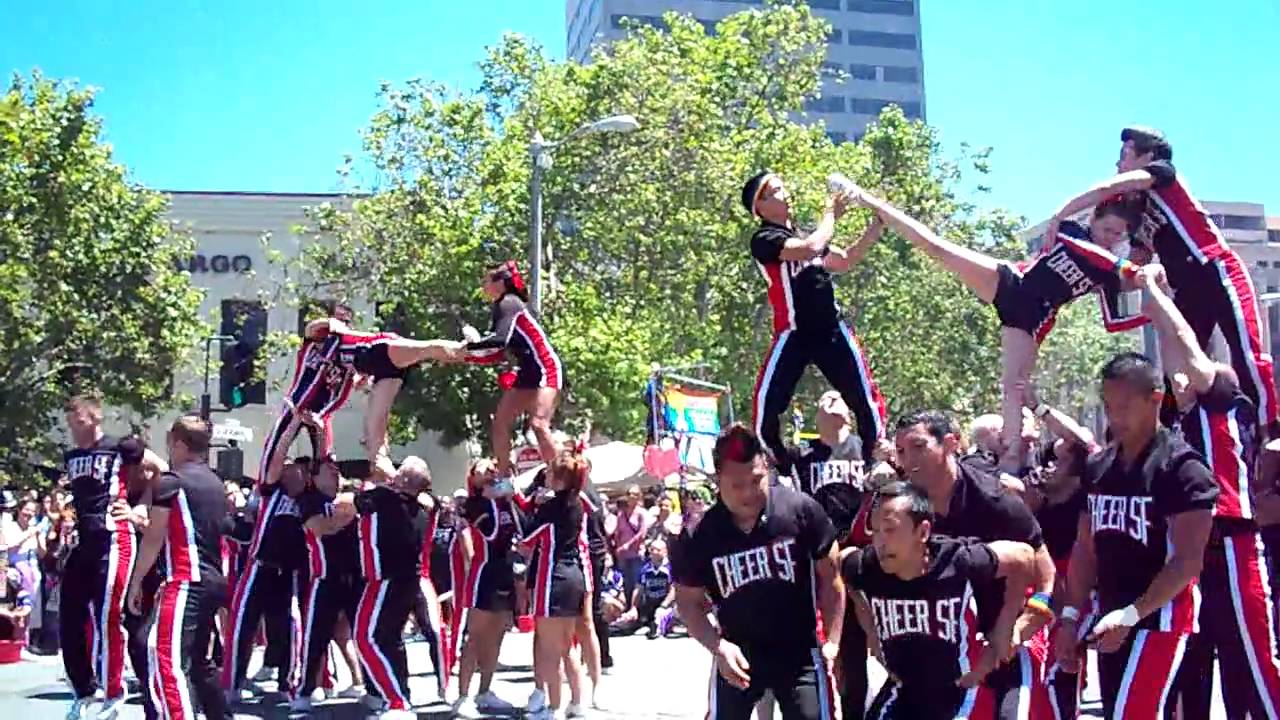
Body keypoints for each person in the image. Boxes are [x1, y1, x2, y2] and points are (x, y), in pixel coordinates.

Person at [847, 181, 1144, 471]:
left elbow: (1121, 303)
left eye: (1117, 234)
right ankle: (871, 202)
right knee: (937, 248)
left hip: (1032, 316)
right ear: (1093, 220)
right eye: (1107, 229)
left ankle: (1011, 462)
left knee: (1014, 387)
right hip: (1013, 283)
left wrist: (1150, 278)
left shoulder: (1108, 268)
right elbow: (1093, 210)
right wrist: (1121, 261)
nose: (1110, 237)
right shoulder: (1071, 232)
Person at [1046, 126, 1277, 431]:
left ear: (1148, 156)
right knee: (1178, 368)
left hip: (1214, 268)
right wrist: (1095, 274)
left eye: (1124, 156)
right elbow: (1134, 264)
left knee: (1245, 351)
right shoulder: (1139, 213)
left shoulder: (1164, 174)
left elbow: (1107, 188)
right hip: (1187, 290)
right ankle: (1171, 434)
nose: (1118, 165)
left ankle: (1269, 429)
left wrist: (1060, 214)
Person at [1138, 265, 1280, 718]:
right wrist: (1156, 304)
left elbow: (1188, 351)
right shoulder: (1181, 417)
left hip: (1233, 544)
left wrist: (1151, 291)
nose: (1181, 378)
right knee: (1189, 664)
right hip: (1188, 550)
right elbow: (1172, 358)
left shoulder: (1227, 401)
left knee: (1254, 661)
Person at [1055, 352, 1218, 719]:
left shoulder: (1182, 468)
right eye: (1109, 406)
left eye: (1125, 406)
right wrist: (1069, 616)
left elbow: (1188, 560)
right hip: (1110, 615)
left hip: (1162, 618)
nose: (1115, 416)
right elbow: (1085, 548)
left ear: (1155, 399)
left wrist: (1132, 614)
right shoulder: (1100, 467)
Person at [892, 410, 1057, 719]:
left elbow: (1046, 577)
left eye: (918, 447)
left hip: (1008, 636)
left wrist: (1014, 630)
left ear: (951, 444)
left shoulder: (995, 502)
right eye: (900, 451)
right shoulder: (902, 507)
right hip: (946, 643)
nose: (907, 460)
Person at [673, 424, 844, 720]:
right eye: (736, 485)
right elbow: (689, 603)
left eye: (756, 480)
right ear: (718, 480)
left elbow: (831, 578)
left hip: (800, 649)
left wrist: (832, 642)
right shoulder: (700, 533)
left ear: (766, 468)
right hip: (738, 649)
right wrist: (717, 646)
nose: (749, 493)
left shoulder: (801, 511)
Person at [843, 481, 1036, 719]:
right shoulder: (866, 567)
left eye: (890, 529)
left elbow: (1024, 556)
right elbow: (842, 565)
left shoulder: (956, 561)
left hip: (960, 690)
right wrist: (872, 631)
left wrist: (1004, 630)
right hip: (907, 690)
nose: (880, 542)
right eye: (875, 531)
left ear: (923, 532)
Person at [741, 172, 886, 472]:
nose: (786, 192)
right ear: (762, 207)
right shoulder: (765, 239)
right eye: (776, 190)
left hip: (831, 330)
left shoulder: (807, 234)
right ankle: (777, 464)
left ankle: (877, 460)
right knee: (766, 404)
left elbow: (844, 260)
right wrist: (830, 214)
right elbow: (810, 248)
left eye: (783, 186)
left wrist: (876, 226)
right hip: (793, 332)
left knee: (864, 397)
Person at [61, 393, 167, 720]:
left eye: (78, 422)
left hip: (114, 538)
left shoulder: (121, 447)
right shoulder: (72, 455)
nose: (74, 429)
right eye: (70, 423)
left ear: (94, 419)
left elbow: (162, 470)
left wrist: (140, 508)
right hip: (84, 541)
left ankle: (113, 693)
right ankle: (84, 689)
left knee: (109, 617)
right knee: (70, 616)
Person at [125, 416, 232, 720]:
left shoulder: (171, 482)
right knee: (198, 661)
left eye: (171, 442)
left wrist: (136, 582)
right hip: (212, 579)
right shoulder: (215, 482)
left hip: (187, 578)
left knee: (163, 658)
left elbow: (154, 538)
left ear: (179, 443)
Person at [332, 457, 434, 720]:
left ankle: (397, 701)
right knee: (389, 640)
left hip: (384, 580)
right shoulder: (417, 507)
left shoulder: (386, 497)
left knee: (366, 639)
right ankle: (392, 692)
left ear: (401, 478)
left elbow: (340, 504)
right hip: (404, 580)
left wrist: (352, 486)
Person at [304, 316, 461, 482]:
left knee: (427, 349)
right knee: (374, 429)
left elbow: (313, 328)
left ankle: (467, 349)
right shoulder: (336, 361)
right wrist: (361, 376)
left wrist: (335, 325)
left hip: (383, 349)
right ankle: (391, 479)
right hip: (384, 372)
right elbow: (356, 370)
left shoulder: (337, 338)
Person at [453, 261, 565, 482]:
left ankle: (561, 476)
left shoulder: (509, 303)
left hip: (545, 367)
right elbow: (497, 351)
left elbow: (499, 341)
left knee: (539, 425)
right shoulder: (500, 307)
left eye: (487, 280)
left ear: (501, 282)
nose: (484, 285)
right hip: (527, 371)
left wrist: (472, 346)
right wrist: (468, 354)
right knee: (500, 423)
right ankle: (505, 477)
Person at [221, 458, 308, 698]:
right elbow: (248, 526)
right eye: (287, 471)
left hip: (290, 572)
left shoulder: (307, 500)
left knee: (288, 625)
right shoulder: (267, 494)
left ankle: (287, 682)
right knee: (242, 624)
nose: (291, 476)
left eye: (297, 473)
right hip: (259, 565)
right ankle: (233, 683)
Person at [290, 458, 367, 712]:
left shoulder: (351, 496)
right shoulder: (308, 501)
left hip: (357, 578)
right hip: (325, 578)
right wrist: (349, 512)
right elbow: (323, 528)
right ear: (315, 477)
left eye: (336, 471)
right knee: (316, 637)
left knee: (366, 635)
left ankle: (372, 687)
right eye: (328, 471)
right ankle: (305, 691)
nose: (335, 474)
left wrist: (352, 504)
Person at [519, 450, 589, 719]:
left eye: (548, 472)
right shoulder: (577, 504)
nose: (544, 476)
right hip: (574, 576)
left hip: (552, 577)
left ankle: (552, 708)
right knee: (566, 645)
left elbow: (527, 540)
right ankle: (577, 703)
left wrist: (528, 505)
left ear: (558, 477)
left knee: (549, 648)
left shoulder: (550, 508)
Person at [258, 303, 359, 487]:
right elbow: (311, 327)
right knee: (276, 447)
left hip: (321, 413)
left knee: (325, 460)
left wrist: (362, 378)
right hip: (298, 404)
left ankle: (321, 491)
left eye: (346, 321)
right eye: (338, 319)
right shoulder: (312, 344)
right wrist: (331, 324)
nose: (341, 326)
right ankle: (266, 485)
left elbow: (360, 372)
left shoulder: (347, 354)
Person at [452, 459, 523, 716]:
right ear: (473, 477)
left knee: (496, 637)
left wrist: (511, 497)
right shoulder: (474, 505)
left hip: (505, 573)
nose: (491, 469)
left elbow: (523, 530)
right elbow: (491, 533)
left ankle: (485, 691)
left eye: (493, 466)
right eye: (484, 467)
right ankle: (462, 696)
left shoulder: (505, 501)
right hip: (484, 574)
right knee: (474, 638)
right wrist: (494, 499)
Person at [0, 551, 32, 641]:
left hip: (8, 626)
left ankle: (15, 645)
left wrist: (21, 613)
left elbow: (26, 602)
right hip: (6, 616)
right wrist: (9, 614)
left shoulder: (12, 580)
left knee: (21, 617)